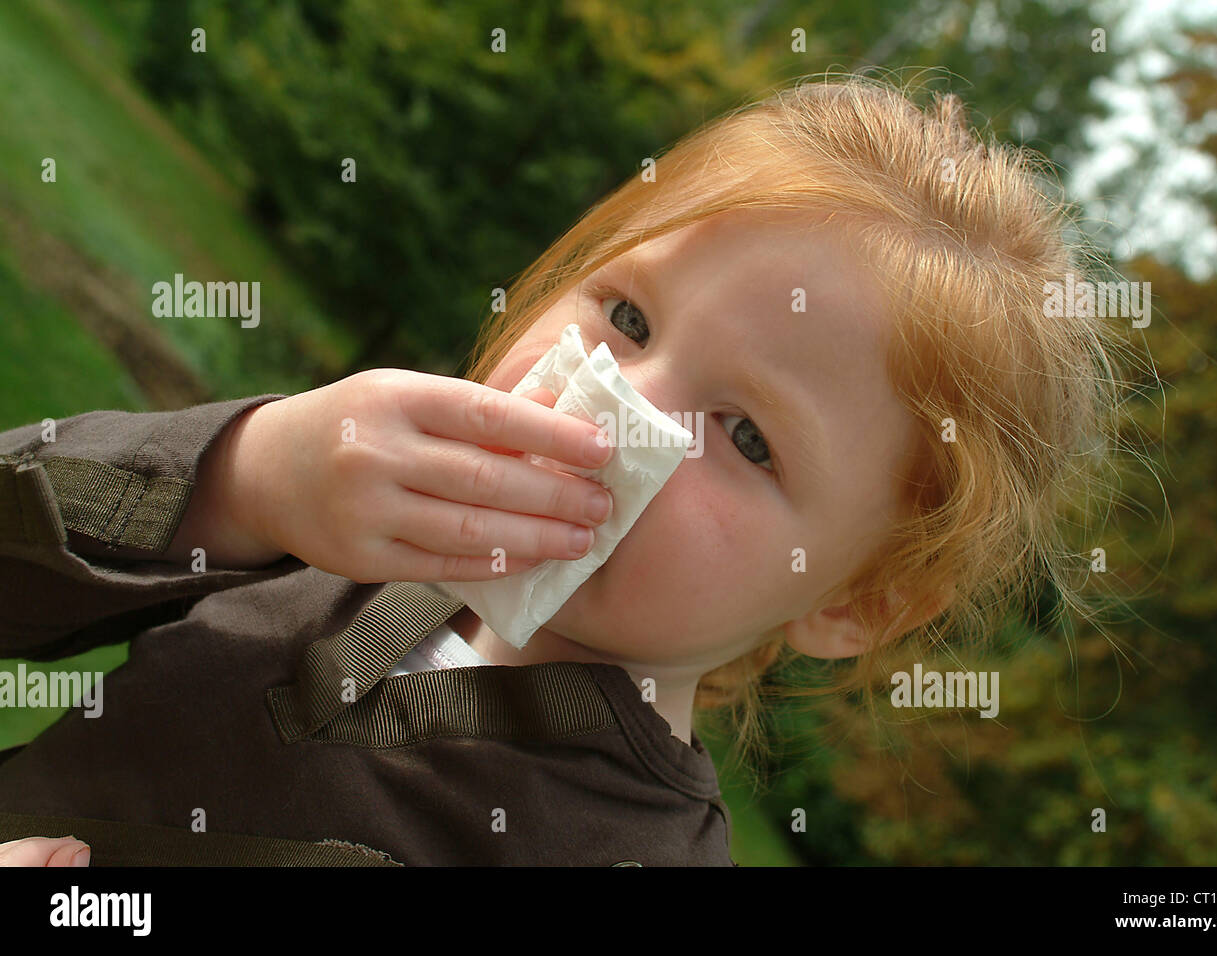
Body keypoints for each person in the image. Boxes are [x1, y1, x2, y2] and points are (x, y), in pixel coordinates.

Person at [0, 73, 1124, 865]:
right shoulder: (326, 524)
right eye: (627, 313)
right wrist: (241, 480)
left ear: (857, 597)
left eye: (744, 436)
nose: (618, 403)